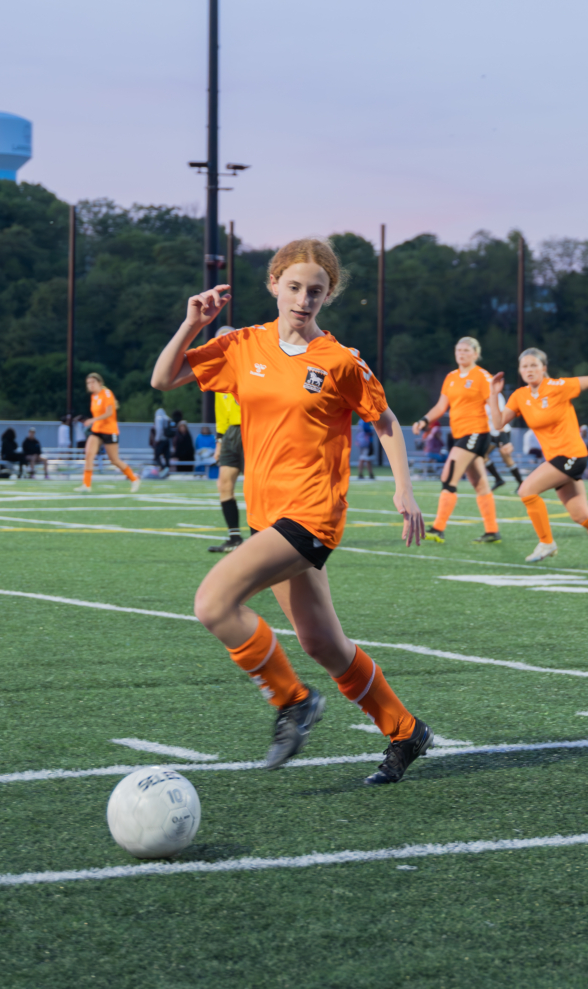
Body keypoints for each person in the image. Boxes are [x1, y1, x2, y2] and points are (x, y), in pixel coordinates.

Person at [150, 237, 432, 784]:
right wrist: (193, 323)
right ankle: (405, 730)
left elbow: (385, 419)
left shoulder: (341, 361)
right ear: (275, 284)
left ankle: (293, 701)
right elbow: (163, 379)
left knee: (212, 603)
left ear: (328, 297)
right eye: (295, 287)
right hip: (268, 515)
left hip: (313, 515)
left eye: (317, 291)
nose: (304, 299)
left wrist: (404, 488)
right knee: (322, 642)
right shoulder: (243, 344)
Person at [490, 348, 588, 569]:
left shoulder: (557, 387)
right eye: (524, 366)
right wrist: (493, 393)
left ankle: (546, 543)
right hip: (559, 459)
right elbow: (499, 423)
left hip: (571, 455)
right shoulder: (520, 396)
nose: (528, 370)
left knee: (526, 490)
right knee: (581, 515)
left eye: (533, 365)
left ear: (544, 368)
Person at [411, 337, 502, 544]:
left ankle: (438, 528)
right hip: (461, 434)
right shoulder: (451, 377)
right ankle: (492, 531)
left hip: (477, 433)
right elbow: (441, 406)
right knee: (480, 485)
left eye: (466, 350)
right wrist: (424, 420)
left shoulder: (482, 377)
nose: (461, 353)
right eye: (458, 350)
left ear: (476, 354)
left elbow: (494, 404)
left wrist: (502, 433)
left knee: (448, 475)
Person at [210, 340, 247, 552]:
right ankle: (234, 538)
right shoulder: (218, 376)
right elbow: (221, 414)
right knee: (224, 485)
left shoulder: (250, 368)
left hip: (251, 428)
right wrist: (219, 442)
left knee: (255, 487)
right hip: (231, 433)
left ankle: (263, 539)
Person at [77, 373, 140, 492]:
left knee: (114, 460)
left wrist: (92, 420)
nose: (90, 385)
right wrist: (94, 422)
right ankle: (86, 485)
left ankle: (134, 479)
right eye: (88, 383)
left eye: (92, 382)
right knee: (89, 454)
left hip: (109, 430)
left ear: (100, 383)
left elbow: (109, 413)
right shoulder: (93, 397)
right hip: (97, 430)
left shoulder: (106, 393)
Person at [355, 415, 378, 479]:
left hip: (362, 442)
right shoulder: (364, 421)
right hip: (365, 442)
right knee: (364, 458)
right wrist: (372, 433)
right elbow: (367, 430)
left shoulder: (360, 421)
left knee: (366, 458)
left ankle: (369, 474)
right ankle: (362, 474)